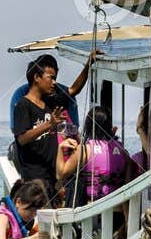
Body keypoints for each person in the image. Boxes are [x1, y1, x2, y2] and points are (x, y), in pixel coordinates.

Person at [12, 56, 95, 188]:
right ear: (37, 77)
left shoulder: (51, 102)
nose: (54, 82)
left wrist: (89, 64)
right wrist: (48, 125)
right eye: (51, 77)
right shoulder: (23, 106)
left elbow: (74, 90)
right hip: (34, 179)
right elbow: (22, 139)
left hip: (54, 177)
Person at [57, 105, 136, 206]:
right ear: (109, 126)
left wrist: (60, 148)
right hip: (117, 209)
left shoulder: (84, 150)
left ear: (88, 125)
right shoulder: (123, 152)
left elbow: (61, 174)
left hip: (91, 209)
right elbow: (128, 186)